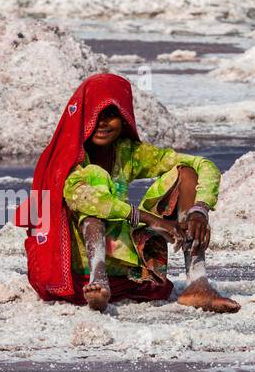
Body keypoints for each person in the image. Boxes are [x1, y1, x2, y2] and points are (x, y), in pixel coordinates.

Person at [15, 72, 240, 313]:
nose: (102, 123)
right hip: (78, 264)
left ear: (124, 118)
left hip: (126, 263)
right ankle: (98, 279)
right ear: (82, 117)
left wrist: (200, 210)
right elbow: (89, 201)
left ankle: (197, 282)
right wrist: (151, 219)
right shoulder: (69, 158)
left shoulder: (128, 152)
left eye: (111, 114)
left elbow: (203, 165)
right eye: (95, 114)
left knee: (186, 173)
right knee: (96, 179)